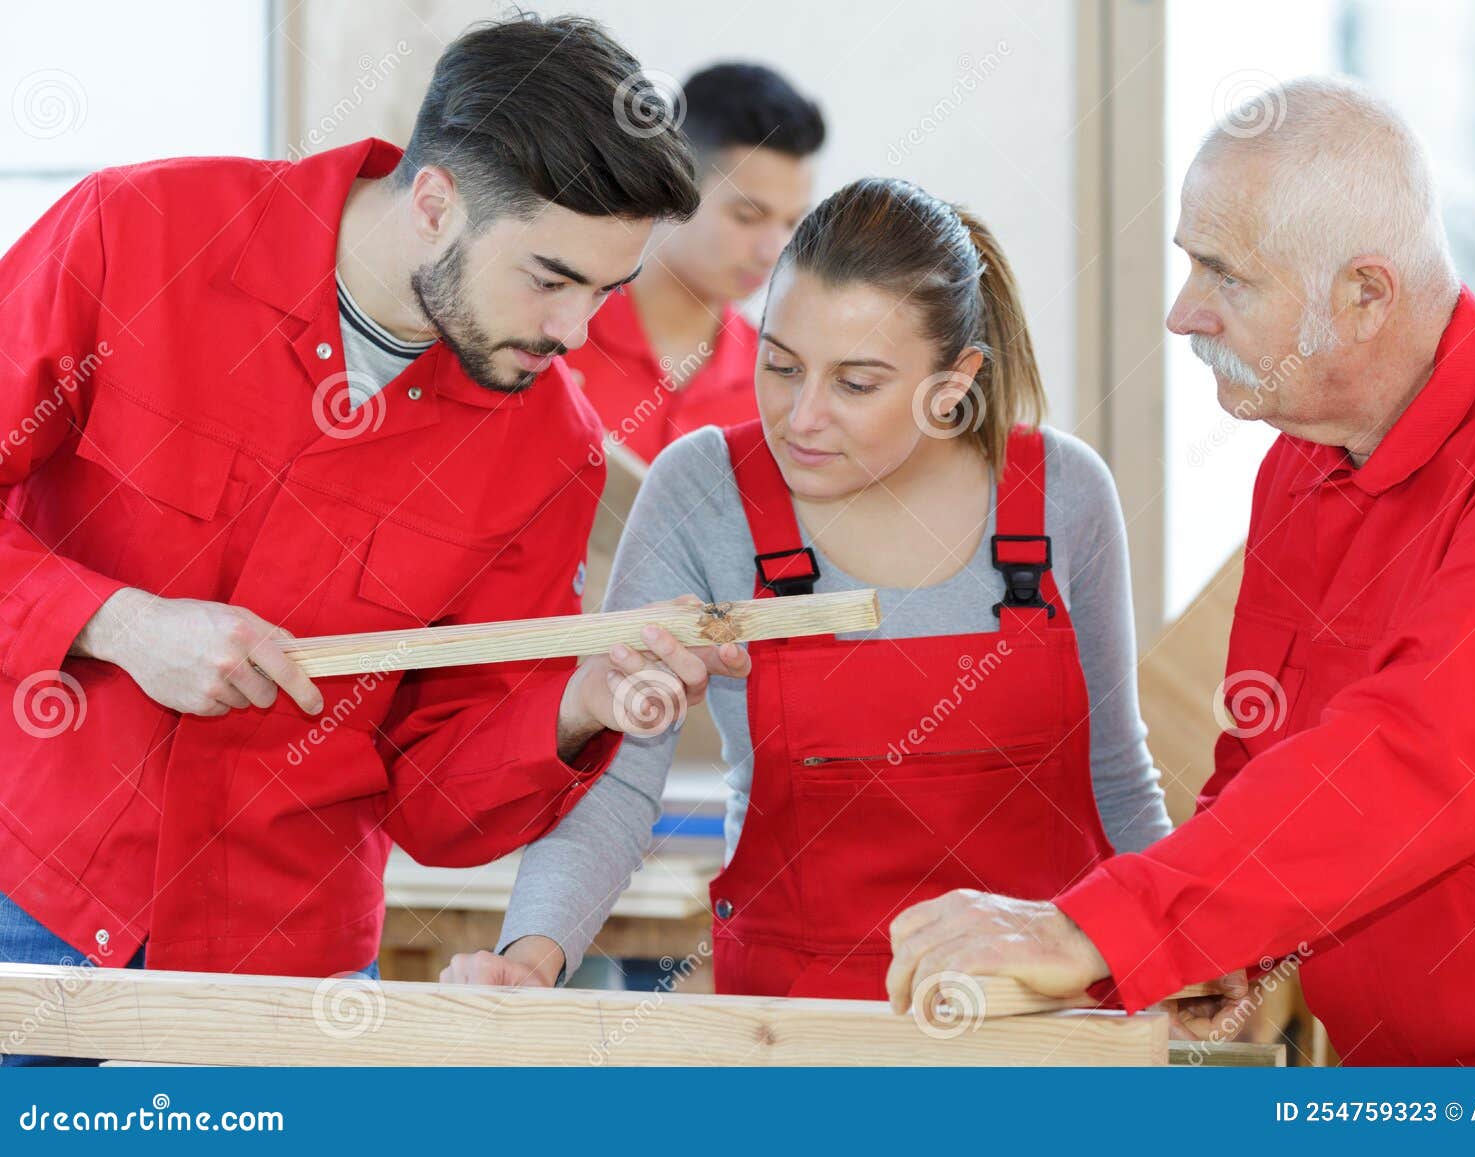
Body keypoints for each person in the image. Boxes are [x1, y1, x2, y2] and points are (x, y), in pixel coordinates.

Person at [0, 14, 748, 1066]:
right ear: (436, 201)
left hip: (287, 973)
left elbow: (437, 803)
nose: (575, 331)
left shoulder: (550, 452)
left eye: (604, 291)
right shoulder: (140, 232)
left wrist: (581, 702)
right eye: (548, 277)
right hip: (28, 905)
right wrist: (117, 623)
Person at [886, 77, 1475, 1065]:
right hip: (1387, 1073)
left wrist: (1099, 926)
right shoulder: (1300, 459)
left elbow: (1411, 757)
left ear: (1363, 295)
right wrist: (1226, 957)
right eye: (1190, 265)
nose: (1184, 313)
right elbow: (1265, 761)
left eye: (1224, 275)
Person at [441, 177, 1173, 999]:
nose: (802, 415)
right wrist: (530, 957)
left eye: (856, 384)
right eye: (781, 365)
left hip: (1045, 1030)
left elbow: (1116, 777)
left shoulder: (1063, 492)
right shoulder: (704, 490)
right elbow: (619, 777)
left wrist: (1176, 959)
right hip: (792, 1033)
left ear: (954, 382)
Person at [567, 63, 824, 462]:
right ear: (675, 182)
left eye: (791, 223)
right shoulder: (555, 332)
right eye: (747, 216)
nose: (773, 251)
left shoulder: (780, 388)